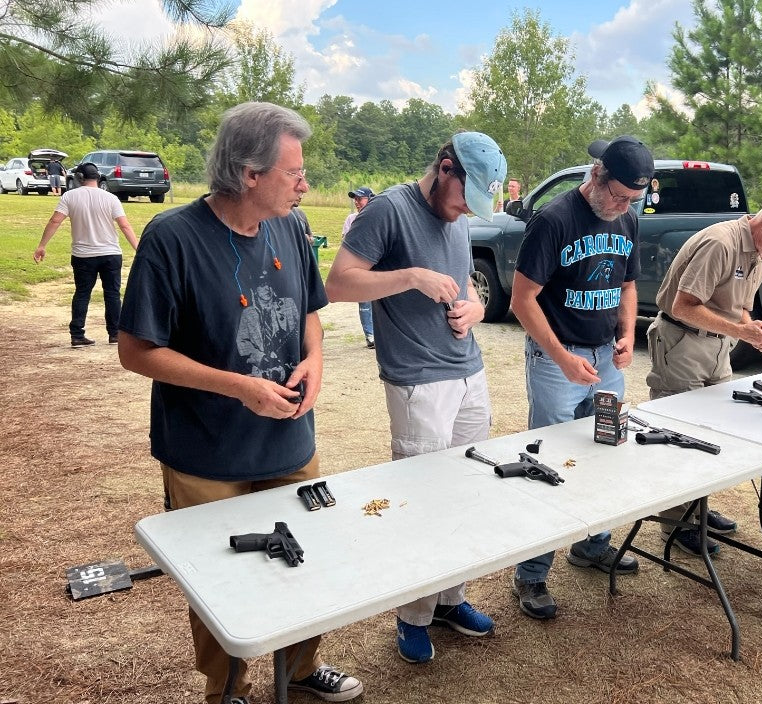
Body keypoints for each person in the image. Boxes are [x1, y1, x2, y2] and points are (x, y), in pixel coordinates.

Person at [116, 102, 363, 704]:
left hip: (289, 440)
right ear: (249, 174)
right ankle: (228, 689)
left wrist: (315, 364)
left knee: (310, 555)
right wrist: (239, 385)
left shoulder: (292, 228)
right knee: (218, 579)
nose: (304, 184)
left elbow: (309, 311)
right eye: (293, 173)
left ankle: (302, 669)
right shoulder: (171, 238)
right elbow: (136, 351)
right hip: (206, 449)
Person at [324, 131, 505, 664]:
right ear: (445, 167)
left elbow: (466, 282)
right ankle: (413, 617)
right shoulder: (387, 211)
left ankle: (451, 600)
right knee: (423, 501)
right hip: (417, 381)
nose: (463, 213)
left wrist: (473, 308)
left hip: (469, 372)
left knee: (467, 492)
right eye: (462, 199)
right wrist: (409, 277)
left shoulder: (459, 216)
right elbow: (338, 284)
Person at [507, 135, 653, 620]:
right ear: (596, 174)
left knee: (605, 450)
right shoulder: (554, 219)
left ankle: (593, 545)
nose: (621, 206)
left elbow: (628, 285)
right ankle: (531, 574)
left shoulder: (627, 219)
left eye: (632, 200)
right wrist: (562, 357)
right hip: (557, 361)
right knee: (547, 462)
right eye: (617, 195)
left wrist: (628, 333)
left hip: (607, 360)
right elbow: (521, 300)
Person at [645, 193, 762, 553]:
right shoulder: (720, 244)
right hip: (682, 342)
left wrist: (757, 329)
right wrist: (741, 331)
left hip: (718, 348)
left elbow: (739, 311)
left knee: (713, 430)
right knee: (678, 432)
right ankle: (675, 523)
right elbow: (684, 306)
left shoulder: (757, 255)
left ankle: (698, 507)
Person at [33, 162, 139, 347]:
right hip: (110, 253)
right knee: (112, 294)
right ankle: (115, 334)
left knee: (82, 293)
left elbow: (55, 220)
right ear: (97, 177)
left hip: (83, 255)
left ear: (79, 178)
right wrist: (138, 248)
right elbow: (124, 225)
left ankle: (77, 334)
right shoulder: (110, 198)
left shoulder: (70, 196)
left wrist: (42, 245)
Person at [343, 186, 376, 347]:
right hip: (360, 265)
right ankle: (370, 336)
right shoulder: (351, 219)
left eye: (360, 198)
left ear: (370, 199)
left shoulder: (379, 216)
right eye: (355, 199)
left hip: (377, 266)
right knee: (364, 301)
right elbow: (346, 242)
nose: (356, 202)